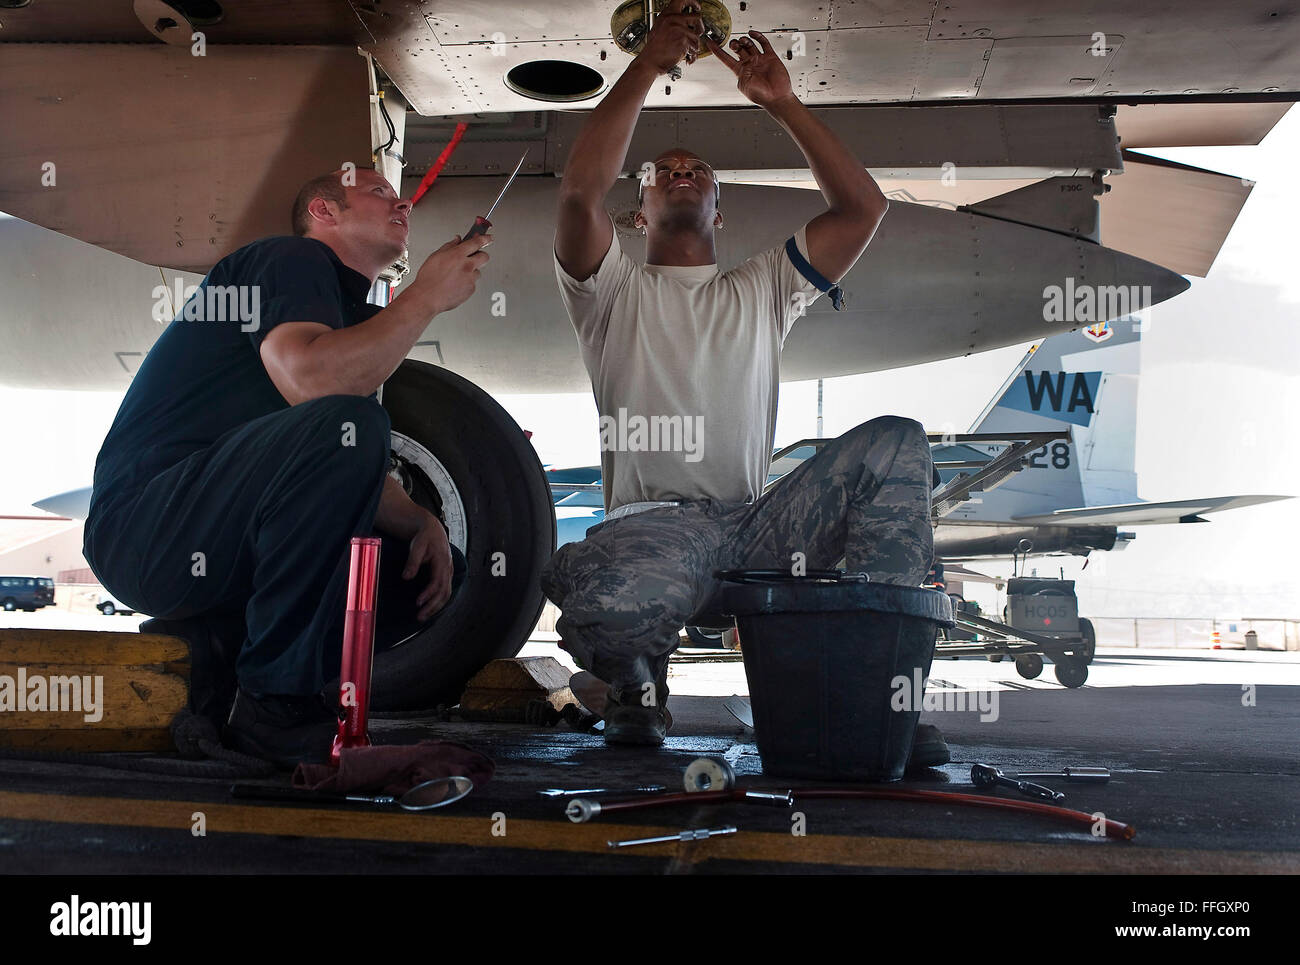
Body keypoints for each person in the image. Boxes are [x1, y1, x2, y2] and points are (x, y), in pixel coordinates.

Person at [542, 1, 946, 765]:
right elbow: (575, 196)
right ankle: (638, 685)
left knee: (897, 446)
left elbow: (863, 208)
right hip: (658, 527)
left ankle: (880, 688)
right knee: (614, 610)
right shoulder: (609, 291)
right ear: (640, 210)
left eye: (699, 173)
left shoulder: (761, 288)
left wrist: (784, 105)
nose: (682, 174)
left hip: (756, 526)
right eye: (664, 173)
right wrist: (650, 64)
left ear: (719, 209)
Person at [83, 168, 490, 766]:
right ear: (323, 212)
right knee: (349, 426)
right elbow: (315, 387)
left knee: (422, 572)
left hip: (210, 541)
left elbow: (336, 469)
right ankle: (276, 708)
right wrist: (425, 296)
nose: (401, 200)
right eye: (377, 192)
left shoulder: (352, 321)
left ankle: (213, 657)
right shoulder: (289, 259)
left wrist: (422, 521)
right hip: (147, 527)